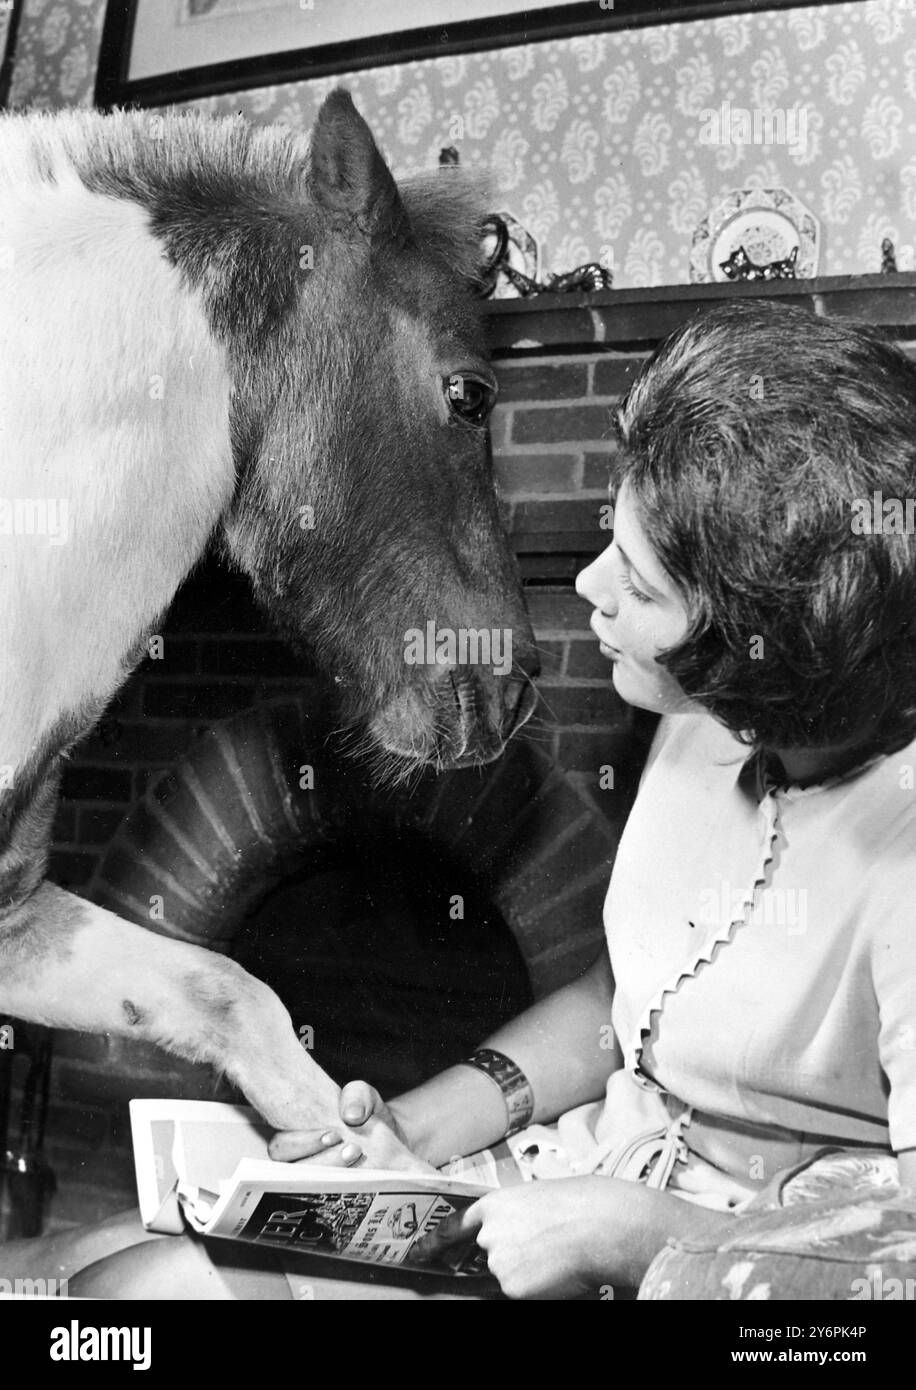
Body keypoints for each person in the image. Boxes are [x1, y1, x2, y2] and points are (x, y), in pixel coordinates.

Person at [5, 300, 915, 1299]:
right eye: (612, 534)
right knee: (87, 1255)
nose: (587, 584)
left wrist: (639, 1236)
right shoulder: (708, 706)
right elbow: (633, 1007)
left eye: (642, 588)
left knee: (151, 1295)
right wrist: (417, 1129)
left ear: (770, 638)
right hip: (577, 1173)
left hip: (718, 1263)